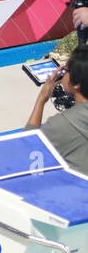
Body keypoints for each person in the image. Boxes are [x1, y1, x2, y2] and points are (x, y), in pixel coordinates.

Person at [25, 47, 88, 175]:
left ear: (76, 84)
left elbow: (28, 145)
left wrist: (41, 99)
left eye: (66, 71)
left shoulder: (62, 124)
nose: (63, 74)